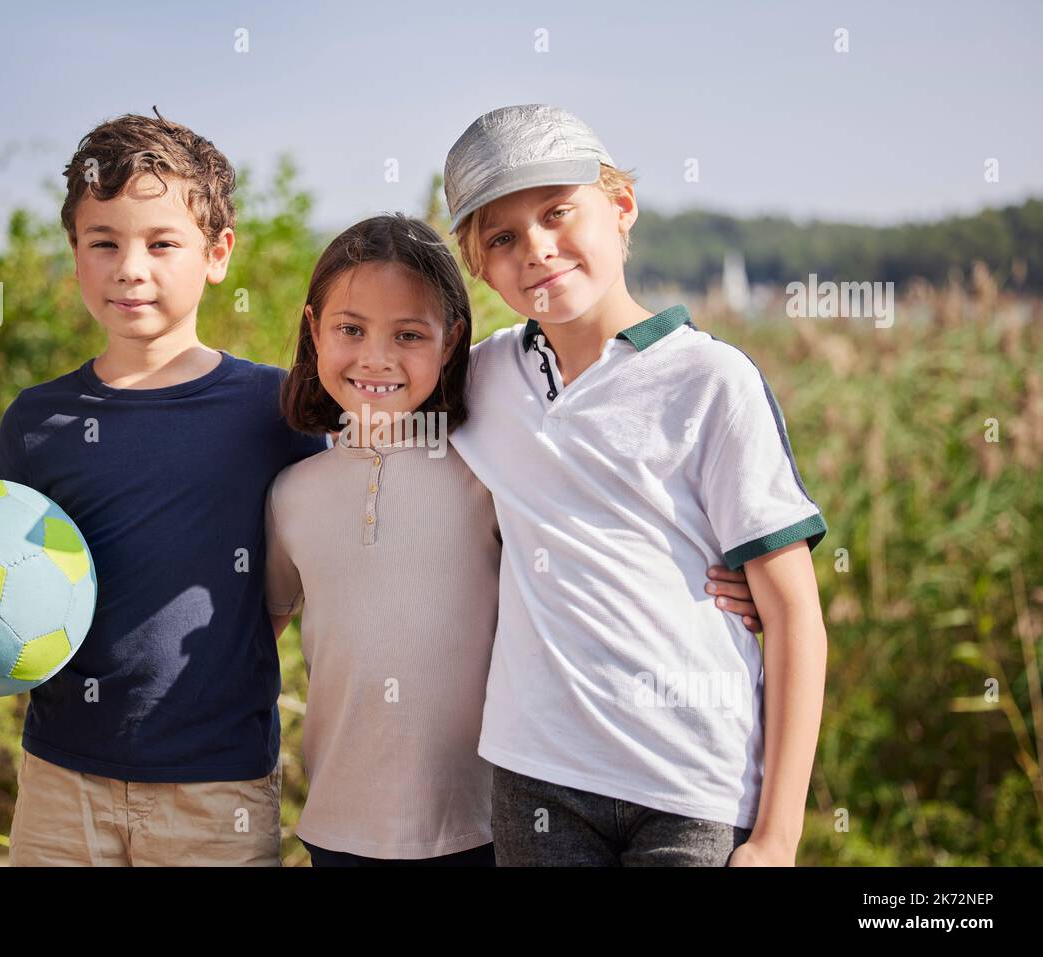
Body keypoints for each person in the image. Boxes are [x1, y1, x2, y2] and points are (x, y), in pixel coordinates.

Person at [0, 109, 325, 866]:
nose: (131, 267)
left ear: (218, 253)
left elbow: (304, 577)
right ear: (75, 255)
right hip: (61, 783)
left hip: (217, 788)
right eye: (104, 243)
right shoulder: (36, 420)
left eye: (162, 243)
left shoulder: (276, 409)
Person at [265, 213, 766, 866]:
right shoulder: (291, 496)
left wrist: (715, 578)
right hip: (338, 828)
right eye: (350, 329)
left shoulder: (486, 469)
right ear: (313, 329)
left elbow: (602, 545)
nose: (376, 357)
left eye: (409, 334)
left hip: (489, 824)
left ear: (450, 345)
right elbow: (252, 641)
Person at [444, 104, 830, 866]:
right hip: (537, 780)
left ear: (621, 209)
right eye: (502, 237)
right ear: (480, 267)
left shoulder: (710, 380)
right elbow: (368, 406)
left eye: (558, 213)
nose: (538, 249)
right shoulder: (481, 378)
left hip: (690, 785)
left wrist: (778, 837)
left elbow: (795, 617)